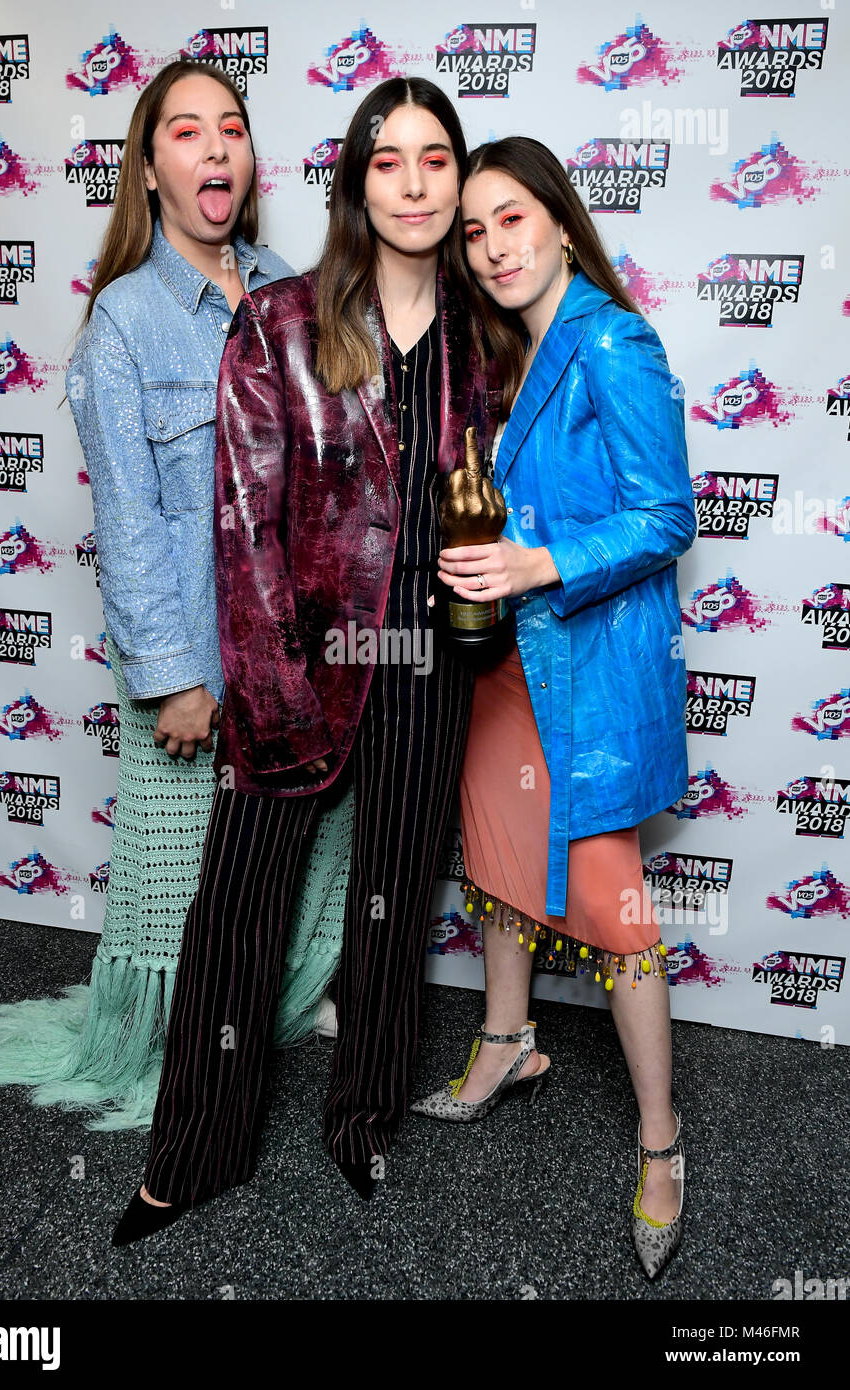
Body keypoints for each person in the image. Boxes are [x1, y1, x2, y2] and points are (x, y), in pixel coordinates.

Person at [112, 75, 499, 1245]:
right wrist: (272, 689)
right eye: (392, 160)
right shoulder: (281, 322)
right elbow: (243, 522)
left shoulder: (488, 330)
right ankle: (192, 1151)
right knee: (235, 909)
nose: (417, 181)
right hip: (306, 662)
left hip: (431, 662)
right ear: (356, 180)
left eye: (437, 159)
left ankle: (364, 1115)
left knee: (391, 902)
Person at [0, 59, 351, 1132]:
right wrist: (174, 677)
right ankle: (180, 1051)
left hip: (302, 659)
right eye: (185, 131)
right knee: (180, 876)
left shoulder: (296, 294)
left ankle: (271, 1000)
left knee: (306, 848)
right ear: (149, 168)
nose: (215, 146)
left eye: (230, 127)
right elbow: (127, 521)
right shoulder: (124, 323)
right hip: (199, 663)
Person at [411, 136, 696, 1281]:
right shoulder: (506, 353)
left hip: (577, 676)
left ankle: (662, 1140)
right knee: (493, 865)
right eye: (472, 232)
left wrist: (537, 566)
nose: (488, 247)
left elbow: (664, 515)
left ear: (562, 225)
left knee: (616, 913)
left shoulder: (613, 342)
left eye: (509, 219)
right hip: (499, 675)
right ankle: (505, 1042)